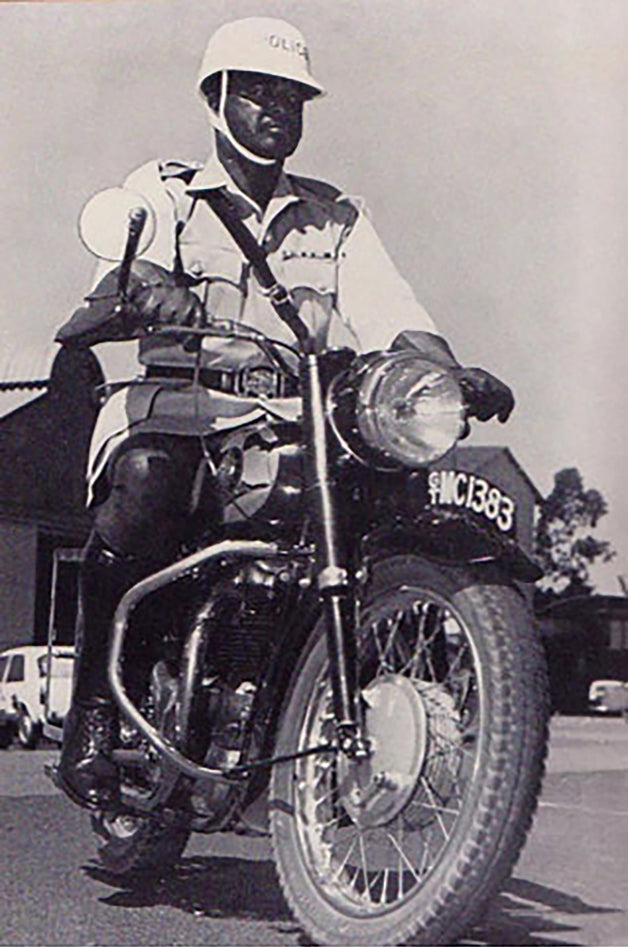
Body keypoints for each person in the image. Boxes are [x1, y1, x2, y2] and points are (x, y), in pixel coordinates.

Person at [56, 16, 514, 811]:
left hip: (291, 430)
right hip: (182, 419)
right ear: (216, 98)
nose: (278, 109)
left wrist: (448, 375)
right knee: (149, 478)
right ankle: (96, 712)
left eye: (293, 97)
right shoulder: (163, 193)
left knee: (385, 492)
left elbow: (393, 313)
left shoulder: (337, 221)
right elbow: (120, 280)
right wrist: (151, 288)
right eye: (259, 92)